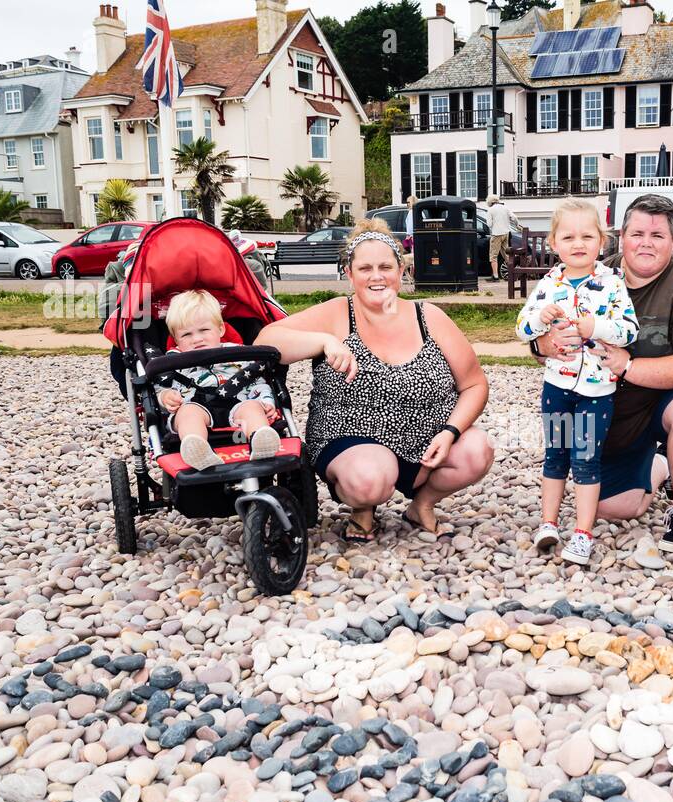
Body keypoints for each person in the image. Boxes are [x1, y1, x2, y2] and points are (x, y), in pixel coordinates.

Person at [255, 219, 494, 543]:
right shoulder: (337, 313)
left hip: (427, 440)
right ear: (349, 273)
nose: (377, 276)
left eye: (385, 266)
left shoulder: (430, 316)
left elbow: (474, 385)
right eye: (365, 268)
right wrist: (324, 342)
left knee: (477, 449)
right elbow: (265, 343)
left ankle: (421, 505)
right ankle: (362, 511)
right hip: (349, 438)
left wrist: (450, 432)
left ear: (401, 271)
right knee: (371, 478)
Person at [531, 194, 673, 554]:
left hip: (664, 400)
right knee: (613, 508)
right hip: (608, 408)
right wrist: (545, 344)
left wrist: (629, 366)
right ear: (621, 237)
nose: (646, 243)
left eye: (657, 235)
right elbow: (538, 335)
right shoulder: (592, 273)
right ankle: (663, 463)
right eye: (637, 233)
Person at [515, 199, 638, 565]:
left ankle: (583, 532)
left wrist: (596, 327)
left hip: (596, 391)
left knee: (585, 459)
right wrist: (540, 318)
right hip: (557, 387)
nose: (578, 243)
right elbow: (522, 329)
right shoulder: (548, 285)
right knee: (555, 456)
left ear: (601, 242)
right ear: (554, 243)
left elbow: (630, 330)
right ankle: (548, 523)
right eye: (568, 236)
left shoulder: (612, 284)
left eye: (587, 235)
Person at [156, 290, 280, 471]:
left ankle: (261, 439)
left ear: (221, 329)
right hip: (194, 407)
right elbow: (159, 389)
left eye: (204, 330)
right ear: (175, 339)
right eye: (186, 335)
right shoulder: (172, 362)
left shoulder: (239, 353)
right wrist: (165, 397)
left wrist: (266, 403)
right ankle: (197, 448)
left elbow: (257, 381)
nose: (197, 339)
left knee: (252, 407)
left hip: (237, 405)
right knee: (188, 414)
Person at [486, 195, 512, 281]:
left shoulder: (490, 210)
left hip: (496, 234)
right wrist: (517, 225)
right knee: (506, 254)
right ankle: (512, 273)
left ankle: (495, 276)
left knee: (493, 256)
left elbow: (489, 224)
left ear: (490, 202)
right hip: (506, 233)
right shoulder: (505, 208)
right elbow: (514, 218)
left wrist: (494, 224)